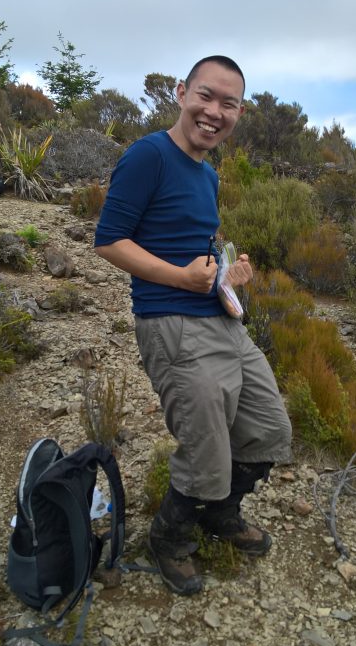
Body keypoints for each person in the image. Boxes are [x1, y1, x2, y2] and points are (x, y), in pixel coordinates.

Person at [94, 56, 292, 596]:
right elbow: (109, 239)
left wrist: (228, 274)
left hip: (221, 319)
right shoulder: (149, 155)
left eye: (228, 104)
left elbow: (196, 247)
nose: (214, 112)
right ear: (182, 93)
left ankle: (219, 514)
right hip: (172, 321)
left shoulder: (208, 174)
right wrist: (180, 280)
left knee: (269, 427)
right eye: (206, 96)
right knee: (206, 445)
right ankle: (171, 537)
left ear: (239, 112)